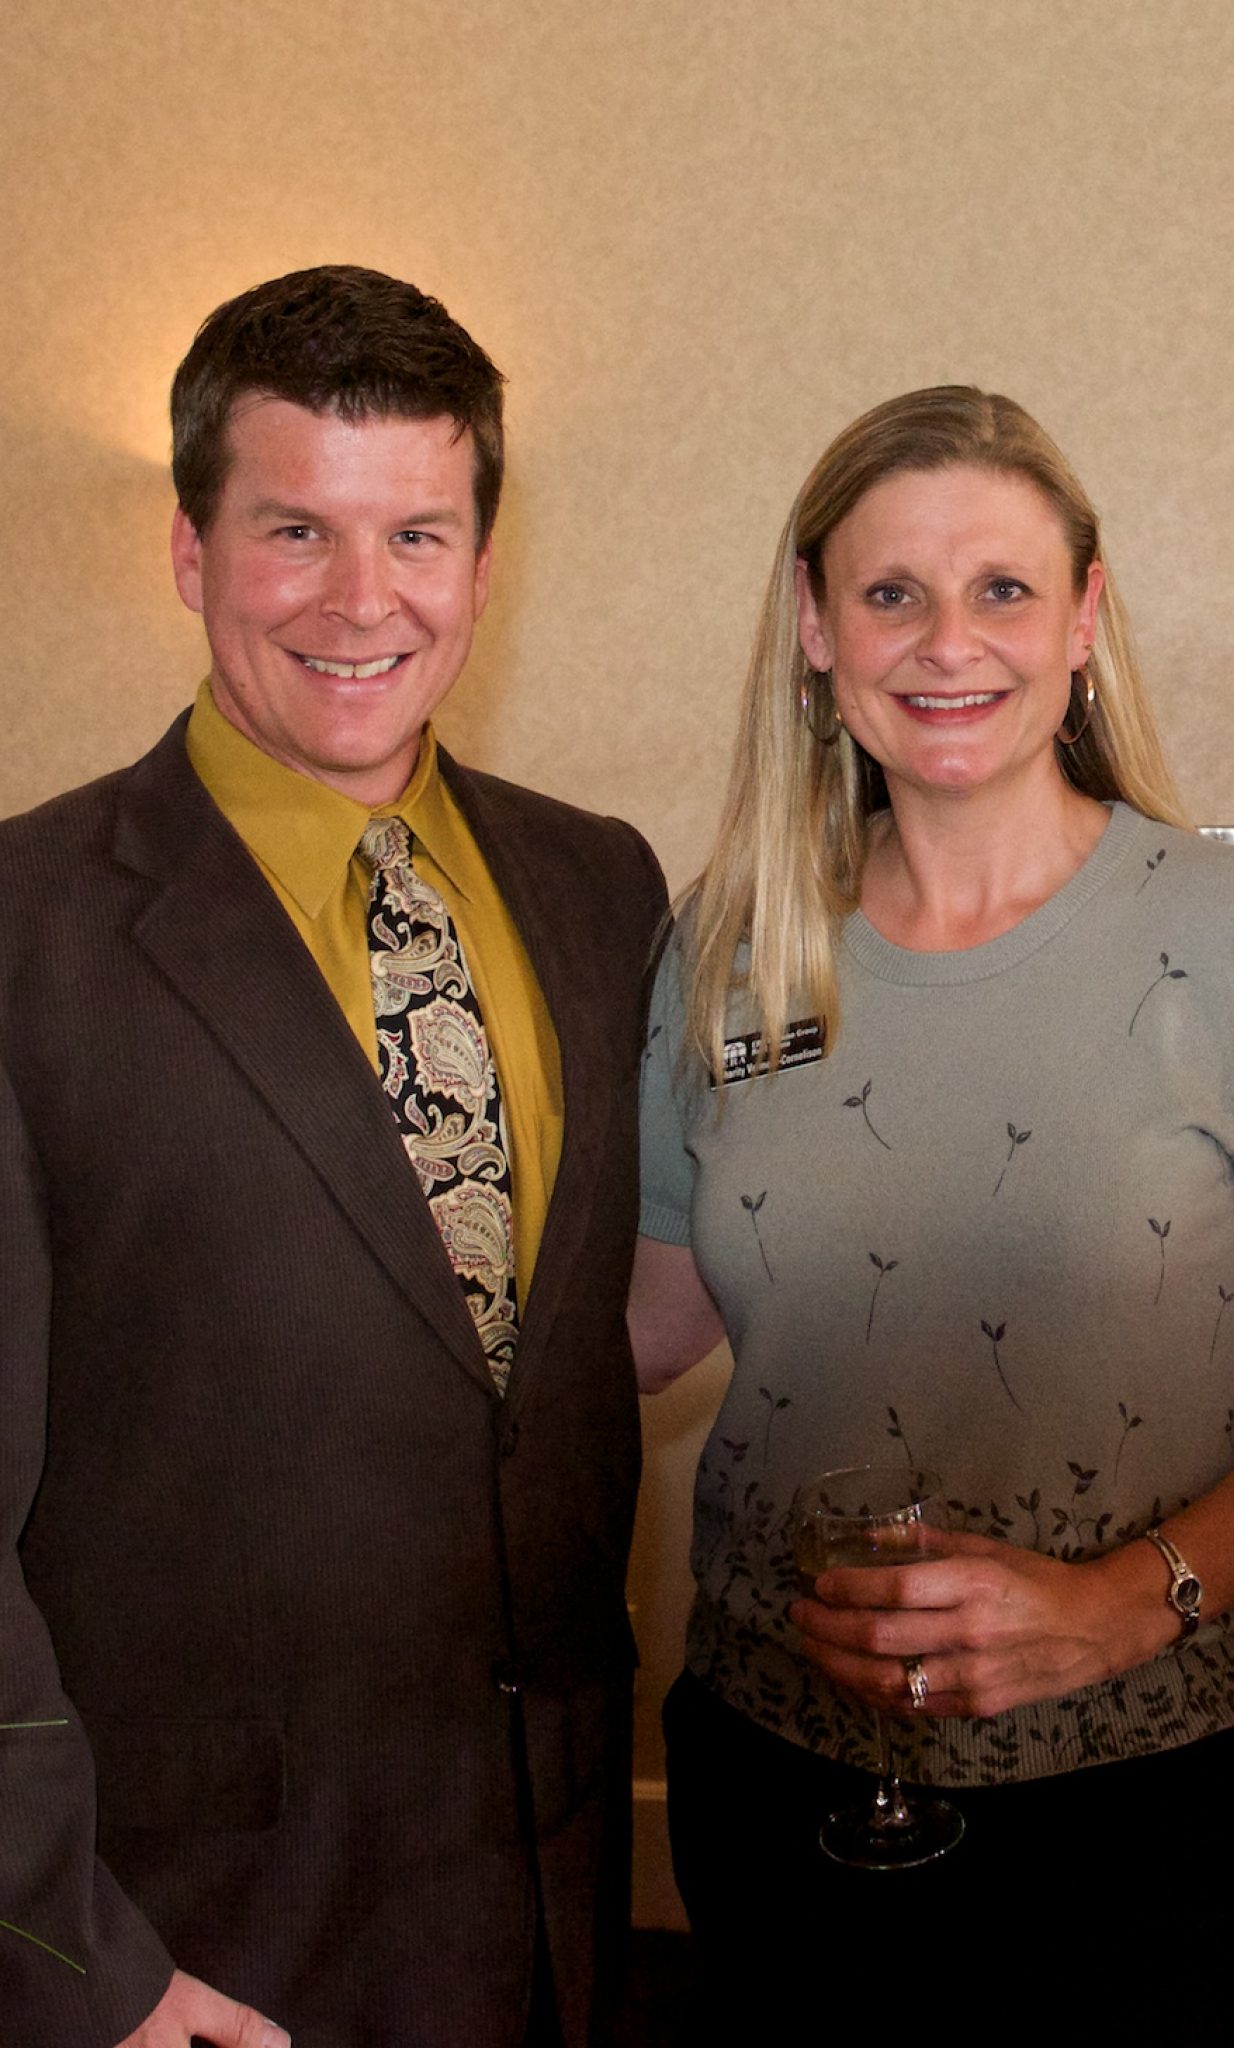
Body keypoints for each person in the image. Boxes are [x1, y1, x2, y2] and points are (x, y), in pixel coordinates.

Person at [630, 384, 1234, 2021]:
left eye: (1002, 588)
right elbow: (646, 1325)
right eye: (892, 593)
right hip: (779, 1789)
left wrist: (1119, 1608)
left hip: (1148, 1819)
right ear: (816, 628)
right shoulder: (723, 946)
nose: (949, 643)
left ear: (1082, 618)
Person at [0, 267, 667, 2048]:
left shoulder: (603, 888)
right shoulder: (21, 933)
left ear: (482, 561)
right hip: (196, 1949)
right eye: (296, 529)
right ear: (190, 549)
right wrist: (76, 1967)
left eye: (416, 535)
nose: (363, 600)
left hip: (556, 1918)